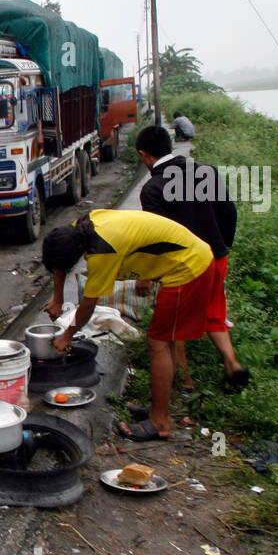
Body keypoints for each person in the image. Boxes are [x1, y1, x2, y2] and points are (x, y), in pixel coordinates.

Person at [42, 209, 213, 442]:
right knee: (164, 340)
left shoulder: (102, 250)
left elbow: (88, 304)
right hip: (185, 261)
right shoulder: (79, 228)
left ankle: (160, 422)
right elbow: (59, 265)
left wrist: (67, 336)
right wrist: (58, 298)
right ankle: (159, 409)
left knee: (160, 342)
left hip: (188, 268)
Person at [136, 125, 249, 392]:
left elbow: (157, 238)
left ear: (144, 155)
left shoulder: (153, 188)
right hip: (217, 256)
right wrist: (222, 246)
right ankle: (232, 363)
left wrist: (147, 275)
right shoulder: (205, 171)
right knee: (214, 313)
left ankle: (185, 381)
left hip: (185, 266)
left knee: (175, 324)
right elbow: (228, 211)